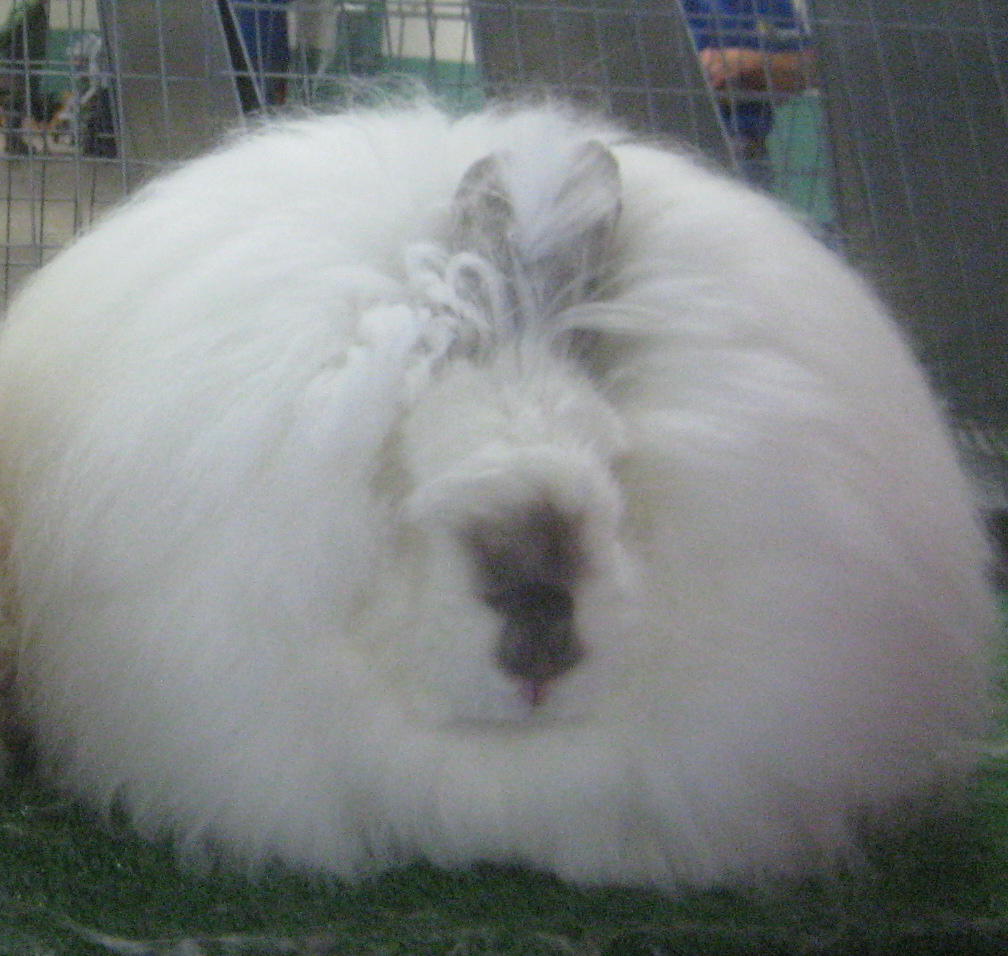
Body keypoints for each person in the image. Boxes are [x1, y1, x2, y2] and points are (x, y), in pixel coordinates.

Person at [682, 0, 816, 188]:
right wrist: (766, 71)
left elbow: (805, 71)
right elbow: (695, 81)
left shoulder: (772, 5)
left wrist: (749, 63)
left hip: (752, 158)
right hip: (684, 158)